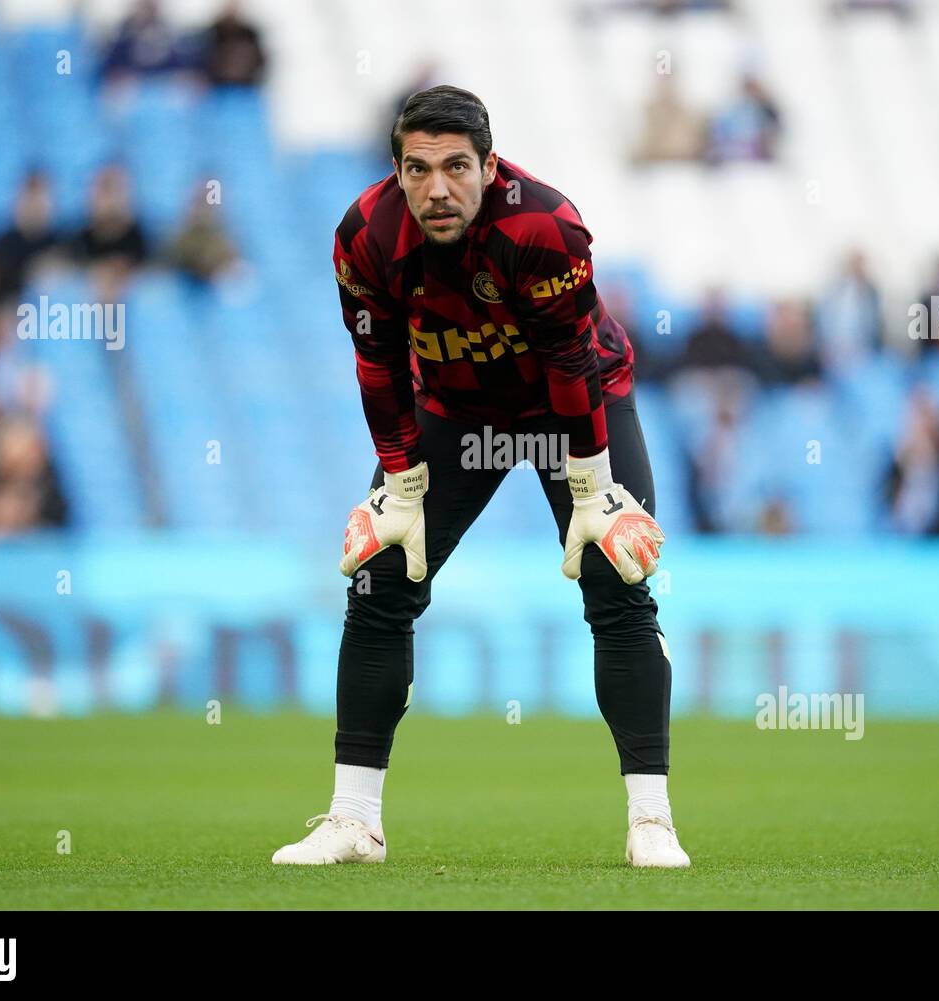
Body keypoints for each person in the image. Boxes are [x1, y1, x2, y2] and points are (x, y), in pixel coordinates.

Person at [271, 85, 688, 869]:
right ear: (395, 172)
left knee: (618, 579)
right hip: (457, 413)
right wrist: (398, 485)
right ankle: (354, 820)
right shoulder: (364, 237)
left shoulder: (544, 227)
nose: (437, 188)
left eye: (456, 166)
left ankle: (652, 821)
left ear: (490, 166)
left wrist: (594, 492)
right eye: (417, 168)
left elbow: (569, 364)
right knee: (377, 581)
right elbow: (378, 364)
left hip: (571, 407)